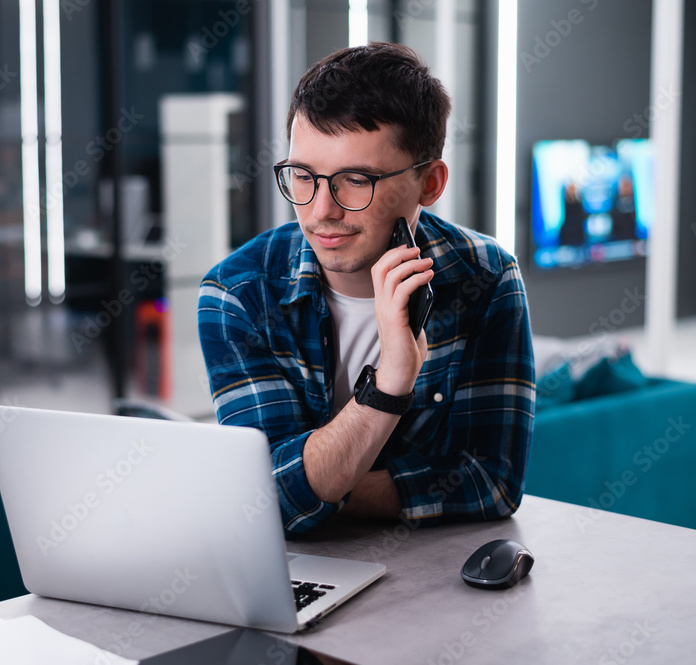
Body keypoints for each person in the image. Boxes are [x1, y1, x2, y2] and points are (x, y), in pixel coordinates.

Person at [198, 42, 534, 534]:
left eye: (356, 180)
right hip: (289, 573)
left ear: (430, 184)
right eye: (302, 176)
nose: (321, 211)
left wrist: (324, 484)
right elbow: (271, 502)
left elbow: (492, 481)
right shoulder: (239, 294)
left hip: (429, 579)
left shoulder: (485, 278)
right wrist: (390, 383)